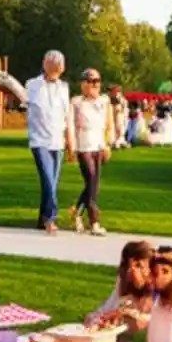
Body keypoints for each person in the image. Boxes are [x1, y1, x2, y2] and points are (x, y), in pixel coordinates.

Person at [26, 51, 73, 235]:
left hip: (57, 140)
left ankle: (42, 217)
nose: (56, 67)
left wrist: (70, 142)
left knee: (52, 182)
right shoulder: (33, 85)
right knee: (48, 179)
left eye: (58, 64)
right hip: (39, 140)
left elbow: (66, 115)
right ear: (45, 64)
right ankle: (50, 218)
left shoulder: (64, 87)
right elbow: (23, 100)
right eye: (52, 63)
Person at [70, 68, 114, 235]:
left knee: (92, 184)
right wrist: (72, 147)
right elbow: (71, 126)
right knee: (92, 181)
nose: (93, 85)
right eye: (89, 81)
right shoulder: (76, 102)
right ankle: (94, 222)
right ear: (82, 84)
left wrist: (108, 144)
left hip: (99, 145)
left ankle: (78, 213)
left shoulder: (104, 101)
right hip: (84, 145)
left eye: (96, 81)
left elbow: (108, 124)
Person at [85, 240, 155, 335]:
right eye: (130, 266)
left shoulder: (157, 289)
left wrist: (128, 313)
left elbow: (153, 319)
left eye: (139, 266)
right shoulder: (124, 282)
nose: (133, 271)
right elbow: (106, 310)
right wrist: (97, 320)